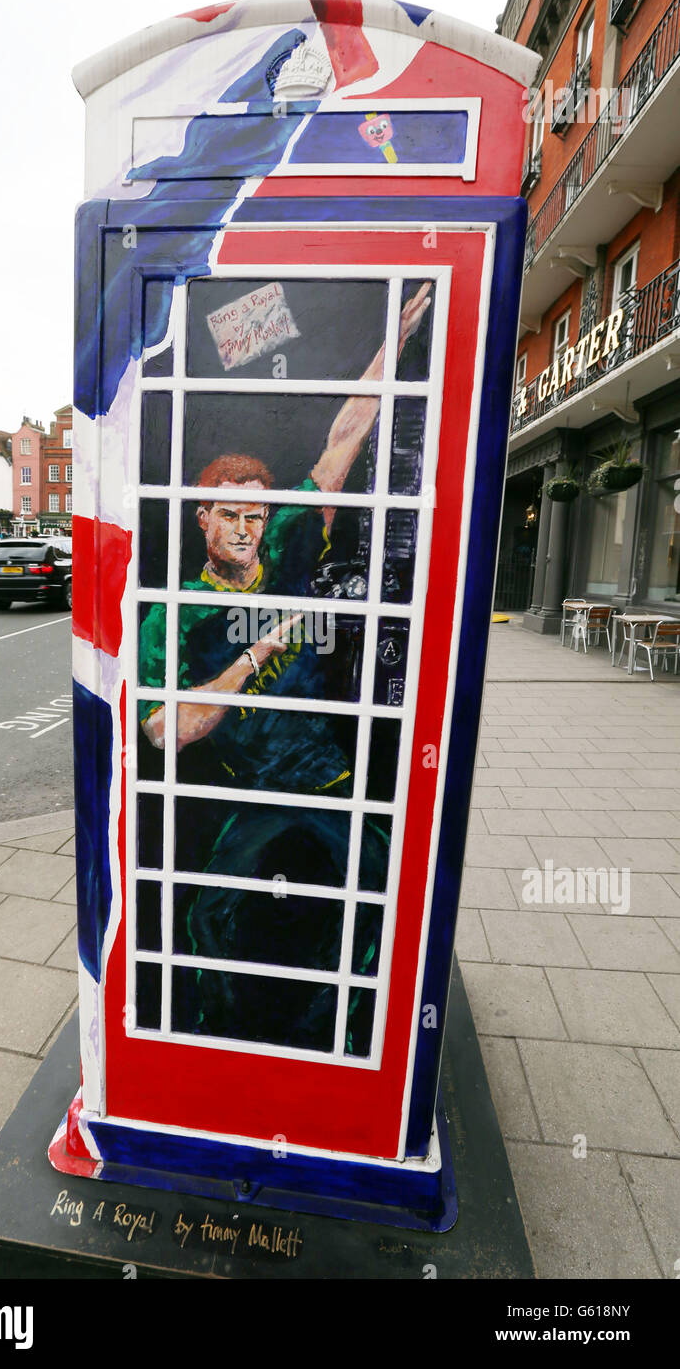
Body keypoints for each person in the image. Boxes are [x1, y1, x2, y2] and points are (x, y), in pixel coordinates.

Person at [139, 285, 432, 1050]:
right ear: (200, 516)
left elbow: (343, 438)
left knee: (371, 911)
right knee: (211, 921)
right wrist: (255, 653)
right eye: (230, 513)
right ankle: (206, 1054)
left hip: (335, 783)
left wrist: (390, 347)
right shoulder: (175, 613)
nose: (246, 527)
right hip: (259, 794)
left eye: (256, 513)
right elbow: (169, 732)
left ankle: (342, 1050)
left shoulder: (289, 545)